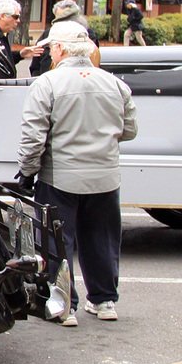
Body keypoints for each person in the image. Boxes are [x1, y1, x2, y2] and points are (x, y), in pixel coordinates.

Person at [17, 19, 137, 326]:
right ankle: (105, 300)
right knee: (102, 238)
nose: (49, 56)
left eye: (51, 50)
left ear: (59, 49)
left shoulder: (47, 84)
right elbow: (129, 131)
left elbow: (33, 137)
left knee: (58, 241)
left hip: (60, 176)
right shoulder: (115, 84)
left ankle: (64, 306)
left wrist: (27, 171)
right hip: (105, 176)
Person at [29, 0, 99, 76]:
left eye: (67, 19)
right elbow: (35, 65)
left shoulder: (86, 36)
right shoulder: (48, 34)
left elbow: (93, 64)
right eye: (60, 20)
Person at [0, 0, 42, 79]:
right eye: (16, 17)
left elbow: (2, 59)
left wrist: (20, 54)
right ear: (3, 16)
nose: (18, 20)